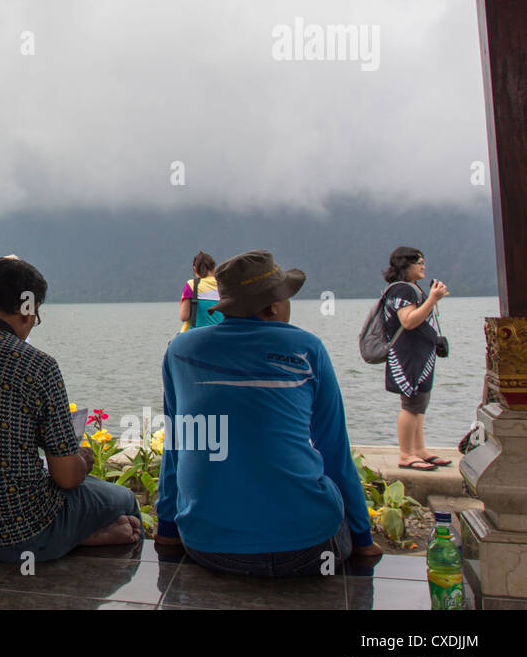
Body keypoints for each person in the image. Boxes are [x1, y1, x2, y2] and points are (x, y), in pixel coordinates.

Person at [155, 249, 382, 577]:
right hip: (308, 550)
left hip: (208, 546)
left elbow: (176, 446)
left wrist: (166, 529)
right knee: (329, 497)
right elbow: (334, 452)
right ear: (274, 305)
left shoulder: (179, 350)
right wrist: (362, 539)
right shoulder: (307, 348)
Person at [0, 257, 141, 562]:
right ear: (29, 311)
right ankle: (67, 542)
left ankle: (76, 537)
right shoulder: (37, 365)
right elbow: (66, 478)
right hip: (20, 531)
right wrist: (83, 461)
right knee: (124, 499)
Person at [381, 247, 450, 471]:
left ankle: (419, 449)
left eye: (423, 261)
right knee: (410, 404)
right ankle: (405, 454)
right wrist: (433, 299)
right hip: (407, 355)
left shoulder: (411, 288)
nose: (423, 266)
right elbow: (408, 321)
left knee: (420, 403)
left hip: (420, 354)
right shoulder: (402, 290)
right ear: (405, 265)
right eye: (419, 262)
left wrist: (430, 299)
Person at [178, 251, 224, 332]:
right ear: (214, 268)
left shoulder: (191, 285)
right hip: (220, 333)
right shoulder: (223, 285)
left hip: (195, 334)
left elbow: (184, 317)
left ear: (195, 269)